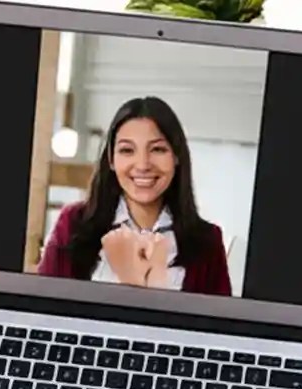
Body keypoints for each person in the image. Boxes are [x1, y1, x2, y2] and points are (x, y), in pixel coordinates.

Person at [36, 96, 232, 296]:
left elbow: (218, 326)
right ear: (111, 160)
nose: (143, 164)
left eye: (157, 149)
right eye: (127, 150)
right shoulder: (74, 222)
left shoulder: (208, 242)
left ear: (176, 156)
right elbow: (41, 307)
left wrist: (143, 281)